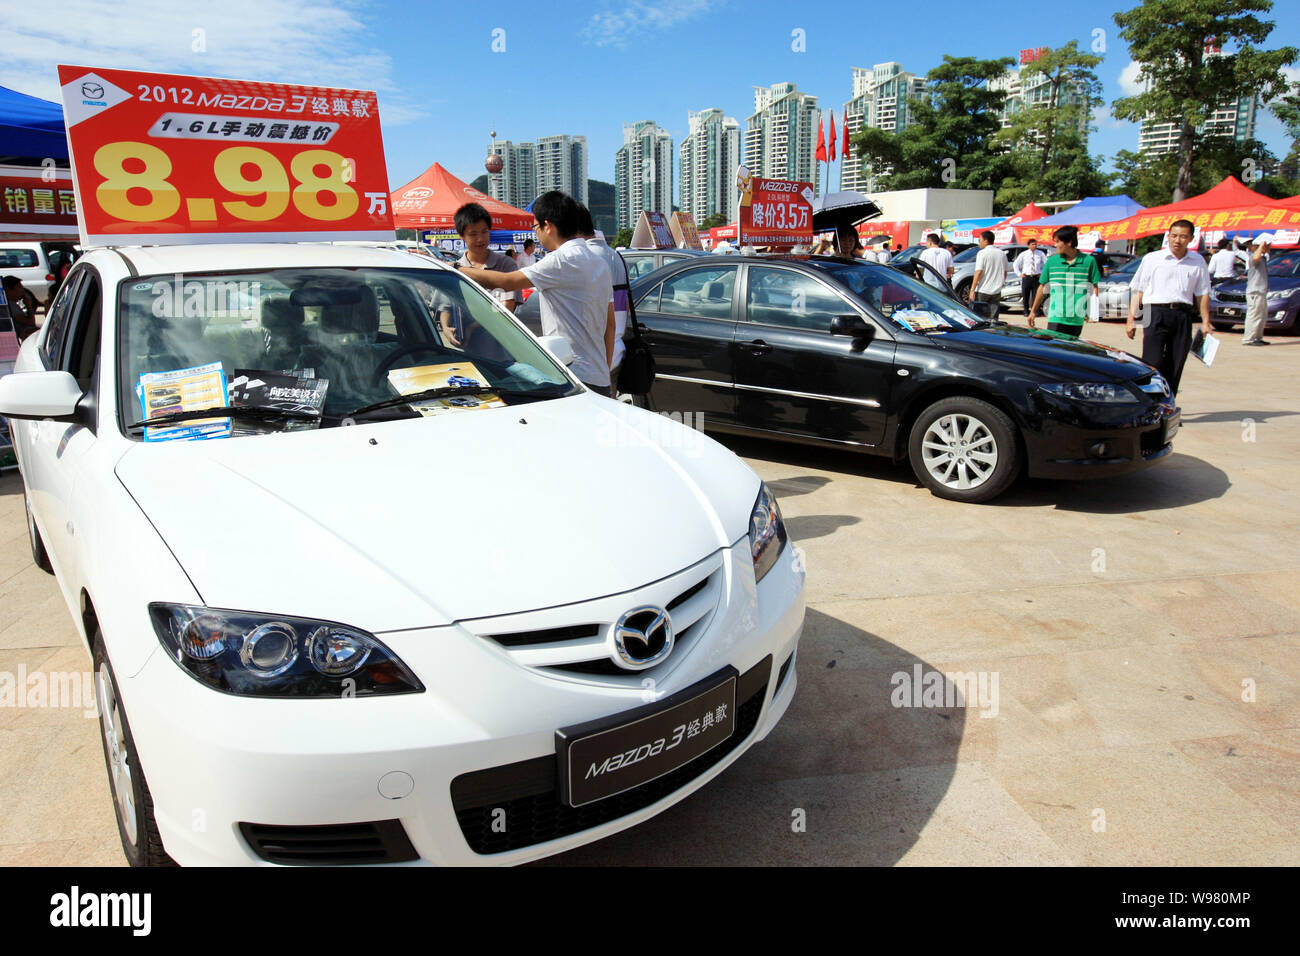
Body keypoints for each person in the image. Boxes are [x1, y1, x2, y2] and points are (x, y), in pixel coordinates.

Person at [458, 191, 616, 396]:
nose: (537, 235)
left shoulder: (560, 260)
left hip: (571, 375)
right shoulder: (599, 263)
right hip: (599, 376)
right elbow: (610, 325)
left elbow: (506, 282)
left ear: (547, 226)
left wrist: (456, 268)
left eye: (535, 227)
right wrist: (604, 370)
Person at [1126, 219, 1212, 397]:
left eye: (1183, 236)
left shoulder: (1197, 261)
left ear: (1191, 238)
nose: (1177, 240)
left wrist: (1206, 322)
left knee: (1176, 362)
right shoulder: (1152, 259)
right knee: (1152, 361)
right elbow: (1138, 291)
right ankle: (1148, 402)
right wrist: (1131, 319)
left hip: (1182, 315)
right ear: (1168, 236)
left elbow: (1203, 293)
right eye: (1173, 236)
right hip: (1154, 312)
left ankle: (1168, 405)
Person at [576, 203, 625, 380]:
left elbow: (604, 319)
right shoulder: (615, 255)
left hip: (599, 356)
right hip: (618, 349)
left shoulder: (587, 257)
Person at [1030, 225, 1100, 339]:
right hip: (1056, 317)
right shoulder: (1052, 261)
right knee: (1054, 350)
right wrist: (1033, 311)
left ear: (1069, 242)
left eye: (1058, 242)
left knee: (1070, 351)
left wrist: (1093, 313)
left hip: (1077, 319)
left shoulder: (1089, 261)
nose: (1055, 245)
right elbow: (1042, 288)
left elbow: (1094, 288)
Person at [453, 202, 518, 314]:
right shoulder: (453, 271)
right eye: (473, 234)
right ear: (461, 235)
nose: (480, 239)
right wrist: (447, 328)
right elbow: (445, 309)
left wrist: (472, 328)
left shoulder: (506, 265)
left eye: (484, 232)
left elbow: (507, 309)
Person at [1242, 233, 1271, 346]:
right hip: (1255, 292)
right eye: (1267, 245)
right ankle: (1248, 339)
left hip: (1261, 292)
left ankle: (1257, 337)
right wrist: (1262, 244)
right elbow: (1255, 257)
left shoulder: (1263, 258)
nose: (1269, 248)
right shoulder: (1252, 257)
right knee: (1254, 316)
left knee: (1261, 316)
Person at [970, 230, 1007, 315]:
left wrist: (972, 290)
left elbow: (978, 272)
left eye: (980, 240)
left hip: (984, 289)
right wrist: (1001, 283)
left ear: (986, 241)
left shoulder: (982, 253)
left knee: (981, 316)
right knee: (994, 318)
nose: (979, 242)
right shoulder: (1002, 253)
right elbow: (1005, 272)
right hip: (997, 290)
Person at [1013, 239, 1047, 319]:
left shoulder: (1040, 253)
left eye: (1035, 244)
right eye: (1032, 244)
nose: (1034, 246)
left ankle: (1035, 311)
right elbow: (1016, 264)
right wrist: (1019, 274)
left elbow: (1046, 264)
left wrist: (1041, 273)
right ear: (1028, 245)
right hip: (1027, 277)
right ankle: (1025, 311)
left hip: (1036, 277)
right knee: (1025, 294)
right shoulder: (1024, 254)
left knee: (1036, 295)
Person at [3, 275, 42, 343]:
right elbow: (31, 322)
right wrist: (28, 305)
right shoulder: (10, 306)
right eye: (19, 287)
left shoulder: (13, 304)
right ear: (8, 290)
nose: (22, 290)